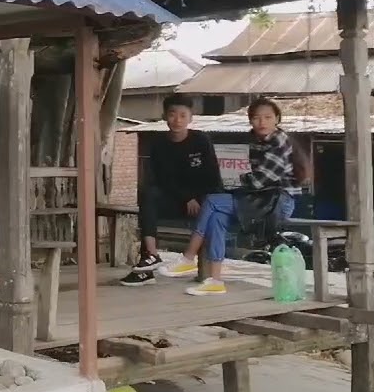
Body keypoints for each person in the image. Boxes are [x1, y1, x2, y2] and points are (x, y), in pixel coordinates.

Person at [159, 97, 302, 295]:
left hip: (278, 202)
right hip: (255, 200)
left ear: (277, 119)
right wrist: (234, 179)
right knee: (217, 217)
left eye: (268, 117)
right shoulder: (252, 140)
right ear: (250, 120)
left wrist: (234, 180)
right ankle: (215, 280)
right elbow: (246, 179)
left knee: (211, 200)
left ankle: (189, 256)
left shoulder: (279, 140)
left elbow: (261, 180)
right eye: (256, 118)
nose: (262, 122)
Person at [120, 94, 223, 287]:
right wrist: (186, 197)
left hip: (202, 203)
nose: (177, 120)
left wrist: (196, 198)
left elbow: (213, 178)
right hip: (176, 200)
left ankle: (150, 264)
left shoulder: (201, 141)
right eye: (172, 114)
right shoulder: (158, 144)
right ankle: (151, 255)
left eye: (183, 115)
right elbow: (162, 180)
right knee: (148, 194)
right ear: (165, 116)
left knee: (210, 204)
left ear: (191, 118)